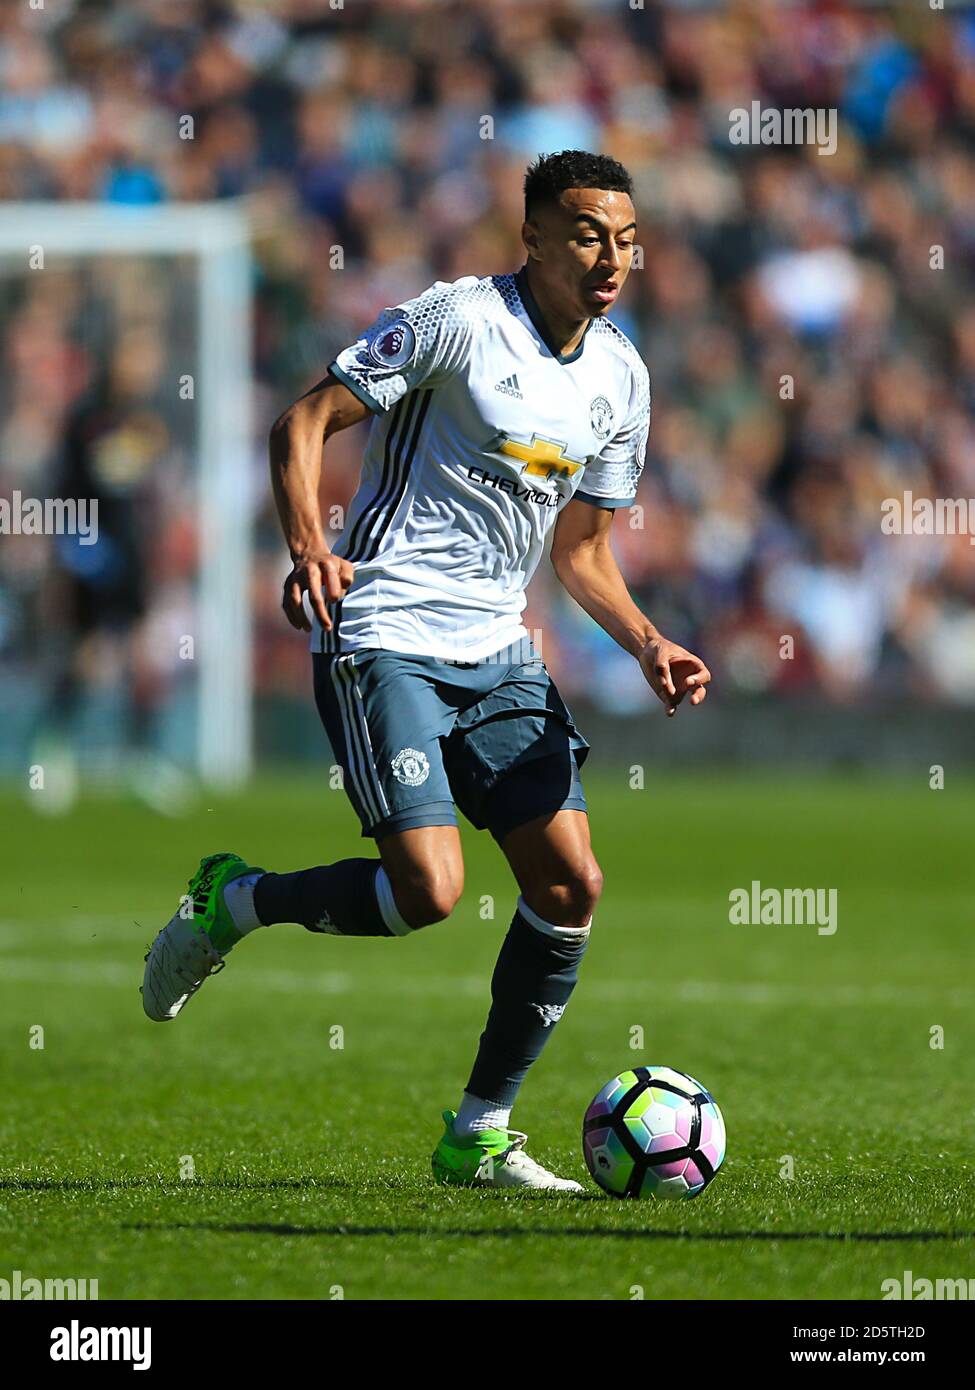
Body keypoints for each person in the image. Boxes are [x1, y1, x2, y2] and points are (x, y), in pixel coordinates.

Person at [142, 150, 711, 1191]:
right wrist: (311, 547)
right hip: (385, 631)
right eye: (587, 233)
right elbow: (302, 420)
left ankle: (480, 1132)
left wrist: (649, 643)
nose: (611, 257)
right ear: (533, 235)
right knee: (431, 892)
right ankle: (237, 902)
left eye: (627, 238)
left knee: (570, 882)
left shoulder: (622, 376)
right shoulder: (454, 321)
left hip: (499, 651)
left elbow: (583, 554)